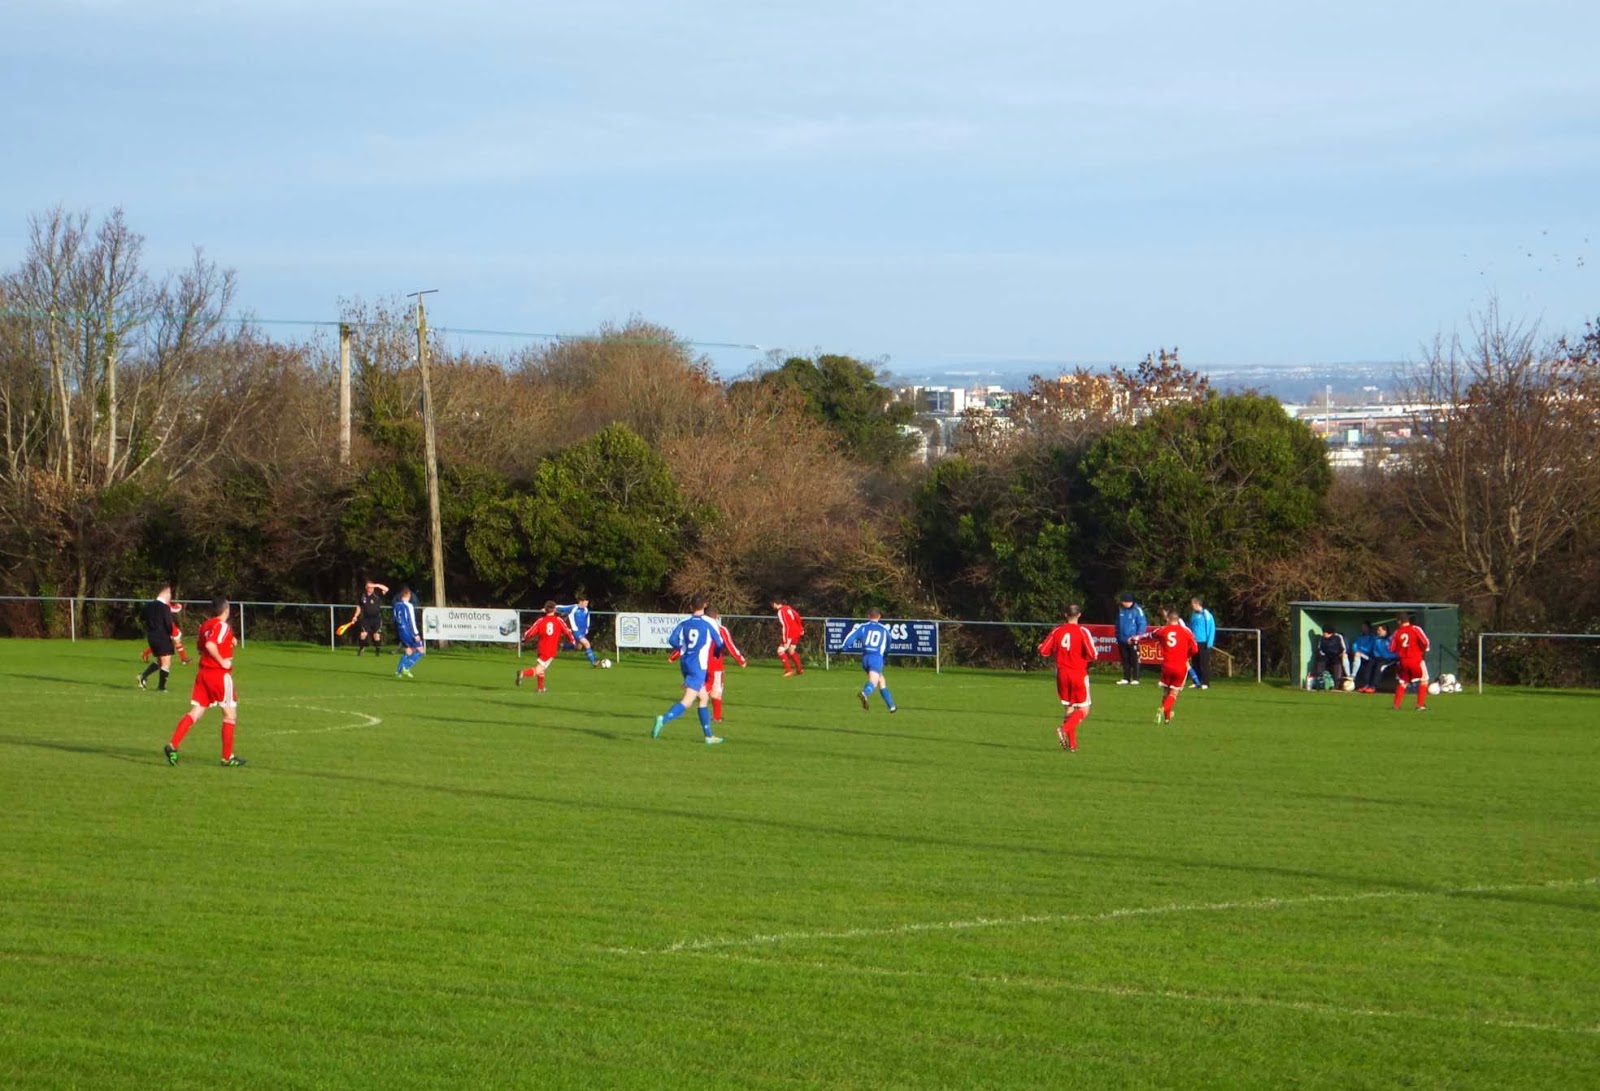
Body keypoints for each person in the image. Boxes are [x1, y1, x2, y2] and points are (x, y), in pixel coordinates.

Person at [164, 595, 245, 767]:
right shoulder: (223, 625)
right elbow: (210, 645)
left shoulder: (205, 626)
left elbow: (202, 648)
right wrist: (222, 660)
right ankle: (227, 757)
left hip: (203, 674)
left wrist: (230, 641)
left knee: (196, 712)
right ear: (226, 609)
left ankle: (173, 745)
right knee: (230, 715)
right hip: (219, 675)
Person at [652, 598, 725, 744]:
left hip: (685, 663)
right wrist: (717, 653)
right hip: (698, 666)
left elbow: (672, 640)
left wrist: (683, 648)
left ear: (691, 606)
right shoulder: (707, 624)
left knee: (703, 698)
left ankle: (709, 736)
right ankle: (663, 719)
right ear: (704, 606)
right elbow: (719, 642)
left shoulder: (684, 623)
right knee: (687, 701)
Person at [670, 608, 747, 722]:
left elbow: (686, 646)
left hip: (699, 665)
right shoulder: (720, 629)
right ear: (717, 617)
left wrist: (673, 657)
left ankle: (692, 692)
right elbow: (730, 646)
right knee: (716, 691)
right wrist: (741, 660)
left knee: (703, 687)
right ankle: (716, 716)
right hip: (715, 665)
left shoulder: (701, 627)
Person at [1037, 604, 1096, 752]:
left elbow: (1044, 650)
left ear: (1065, 615)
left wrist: (1040, 647)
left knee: (1069, 708)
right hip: (1078, 673)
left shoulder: (1057, 631)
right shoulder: (1083, 631)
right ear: (1079, 615)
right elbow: (1093, 654)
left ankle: (1072, 745)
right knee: (1084, 709)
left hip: (1062, 674)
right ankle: (1064, 729)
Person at [1143, 607, 1199, 723]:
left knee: (1166, 692)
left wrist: (1135, 638)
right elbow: (1195, 649)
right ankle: (1163, 710)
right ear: (1178, 619)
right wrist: (1186, 656)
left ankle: (1167, 718)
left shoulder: (1163, 630)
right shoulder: (1186, 631)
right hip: (1180, 667)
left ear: (1168, 619)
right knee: (1173, 693)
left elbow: (1149, 636)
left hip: (1167, 666)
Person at [840, 608, 898, 714]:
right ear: (879, 617)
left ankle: (892, 706)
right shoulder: (884, 630)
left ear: (868, 616)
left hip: (865, 658)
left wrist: (843, 648)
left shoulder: (863, 627)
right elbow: (888, 646)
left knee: (881, 681)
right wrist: (884, 656)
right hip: (876, 658)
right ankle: (864, 693)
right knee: (873, 682)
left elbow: (850, 637)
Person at [517, 601, 576, 692]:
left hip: (541, 648)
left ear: (545, 610)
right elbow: (567, 631)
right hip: (550, 649)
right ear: (555, 609)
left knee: (542, 667)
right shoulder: (558, 620)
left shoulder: (541, 621)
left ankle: (540, 688)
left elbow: (530, 632)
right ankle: (523, 673)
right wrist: (572, 641)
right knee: (540, 668)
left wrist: (524, 639)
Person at [138, 584, 182, 692]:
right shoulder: (164, 607)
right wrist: (173, 635)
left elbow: (141, 617)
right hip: (162, 637)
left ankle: (143, 676)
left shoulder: (149, 605)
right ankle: (161, 687)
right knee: (166, 662)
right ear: (166, 594)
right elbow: (168, 623)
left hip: (151, 637)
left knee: (160, 661)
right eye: (170, 594)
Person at [1389, 611, 1431, 711]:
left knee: (1403, 682)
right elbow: (1425, 642)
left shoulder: (1397, 633)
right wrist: (1424, 649)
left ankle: (1396, 705)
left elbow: (1391, 648)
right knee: (1424, 680)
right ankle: (1420, 705)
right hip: (1416, 659)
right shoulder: (1415, 628)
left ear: (1399, 621)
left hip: (1403, 661)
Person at [344, 578, 389, 656]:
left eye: (372, 587)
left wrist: (376, 585)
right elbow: (359, 607)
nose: (371, 589)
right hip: (366, 619)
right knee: (363, 634)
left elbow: (386, 589)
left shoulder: (377, 594)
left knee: (376, 635)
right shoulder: (362, 595)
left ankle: (377, 651)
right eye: (369, 587)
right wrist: (355, 616)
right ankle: (361, 648)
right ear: (366, 587)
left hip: (376, 618)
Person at [556, 596, 600, 667]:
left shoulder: (586, 609)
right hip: (576, 631)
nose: (587, 605)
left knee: (578, 647)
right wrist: (549, 608)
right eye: (585, 603)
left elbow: (587, 620)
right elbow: (561, 607)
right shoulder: (573, 608)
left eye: (587, 603)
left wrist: (587, 629)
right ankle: (594, 662)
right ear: (580, 602)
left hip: (583, 632)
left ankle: (562, 646)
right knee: (587, 644)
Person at [1114, 593, 1148, 685]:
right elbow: (1117, 624)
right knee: (1125, 659)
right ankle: (1126, 677)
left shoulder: (1137, 610)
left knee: (1135, 659)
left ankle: (1136, 678)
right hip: (1122, 639)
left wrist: (1138, 635)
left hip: (1133, 639)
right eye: (1124, 602)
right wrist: (1117, 636)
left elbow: (1142, 623)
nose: (1126, 604)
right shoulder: (1120, 610)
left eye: (1128, 602)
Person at [392, 586, 424, 678]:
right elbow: (411, 621)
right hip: (409, 632)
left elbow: (394, 619)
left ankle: (398, 671)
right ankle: (406, 667)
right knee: (421, 651)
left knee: (409, 651)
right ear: (407, 595)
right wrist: (416, 634)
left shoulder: (396, 605)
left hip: (401, 631)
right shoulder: (408, 606)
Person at [1188, 597, 1216, 689]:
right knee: (1195, 662)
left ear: (1197, 604)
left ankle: (1205, 682)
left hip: (1203, 642)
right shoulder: (1193, 615)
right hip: (1194, 642)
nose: (1191, 606)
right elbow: (1191, 627)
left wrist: (1210, 642)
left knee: (1204, 663)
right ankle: (1196, 681)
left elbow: (1212, 629)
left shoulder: (1206, 615)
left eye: (1192, 604)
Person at [772, 600, 806, 675]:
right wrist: (801, 628)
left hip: (790, 633)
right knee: (791, 650)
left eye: (772, 605)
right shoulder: (788, 607)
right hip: (797, 632)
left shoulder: (780, 612)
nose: (772, 606)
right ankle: (799, 669)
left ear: (775, 604)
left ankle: (788, 670)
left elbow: (786, 626)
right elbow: (797, 615)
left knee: (780, 650)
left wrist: (785, 639)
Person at [1350, 622, 1382, 692]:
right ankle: (1354, 679)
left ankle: (1353, 676)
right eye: (1362, 627)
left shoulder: (1373, 637)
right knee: (1354, 655)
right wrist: (1356, 651)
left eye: (1365, 627)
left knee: (1372, 664)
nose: (1363, 628)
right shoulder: (1359, 637)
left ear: (1369, 628)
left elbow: (1372, 649)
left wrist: (1362, 651)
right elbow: (1354, 646)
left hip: (1369, 656)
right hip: (1359, 655)